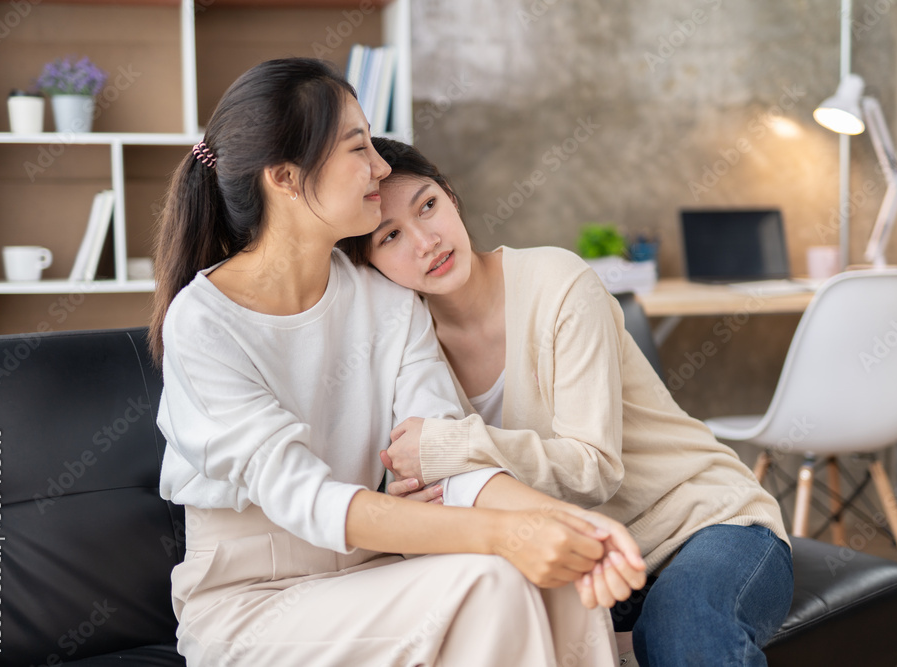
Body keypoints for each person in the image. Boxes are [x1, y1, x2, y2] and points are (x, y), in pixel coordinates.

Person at [149, 58, 644, 666]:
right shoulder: (203, 323)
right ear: (283, 177)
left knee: (557, 571)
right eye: (358, 148)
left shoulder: (385, 298)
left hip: (374, 572)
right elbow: (308, 498)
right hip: (253, 600)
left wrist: (570, 527)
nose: (381, 167)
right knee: (494, 577)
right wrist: (506, 533)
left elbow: (445, 459)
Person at [337, 137, 795, 666]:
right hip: (587, 557)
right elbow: (427, 488)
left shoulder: (559, 282)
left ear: (451, 197)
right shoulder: (409, 349)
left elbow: (593, 468)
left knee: (682, 627)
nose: (425, 241)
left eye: (428, 206)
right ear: (369, 266)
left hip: (708, 525)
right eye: (390, 235)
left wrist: (447, 446)